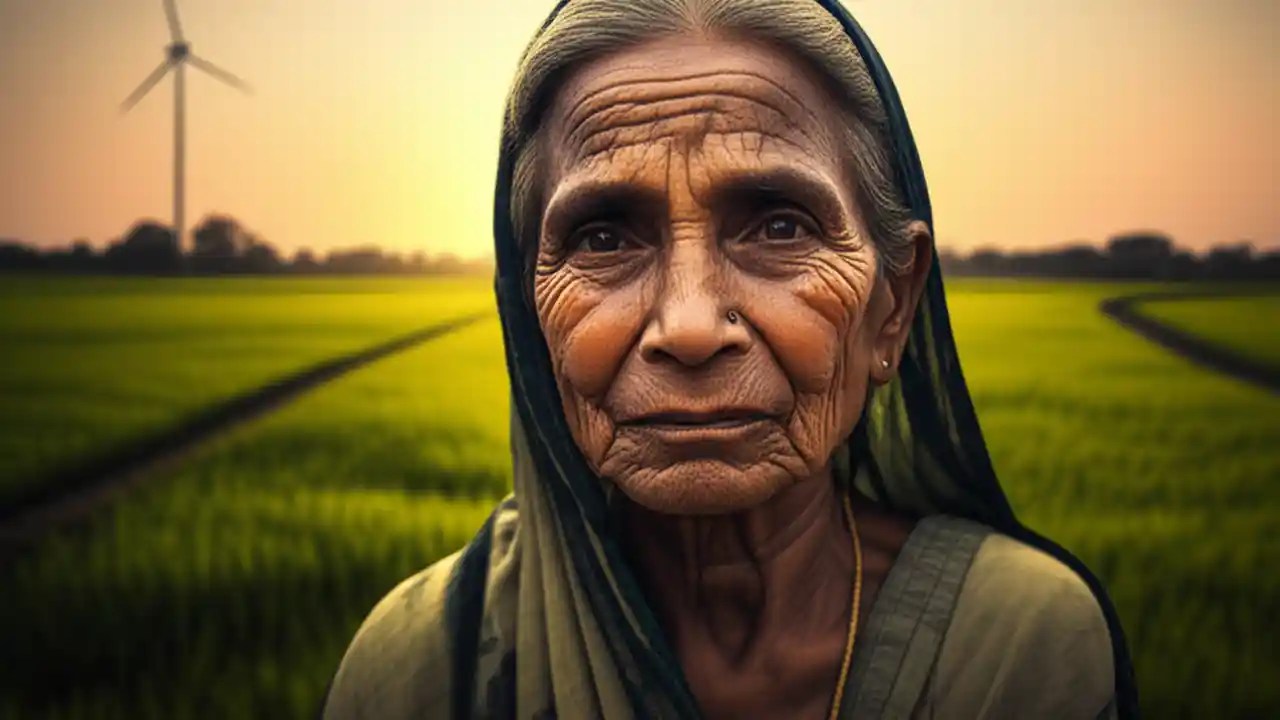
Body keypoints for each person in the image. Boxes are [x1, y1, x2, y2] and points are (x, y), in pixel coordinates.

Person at [323, 1, 1136, 717]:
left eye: (780, 227)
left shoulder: (1013, 646)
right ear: (530, 322)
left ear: (892, 307)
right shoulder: (424, 668)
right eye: (603, 238)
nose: (689, 325)